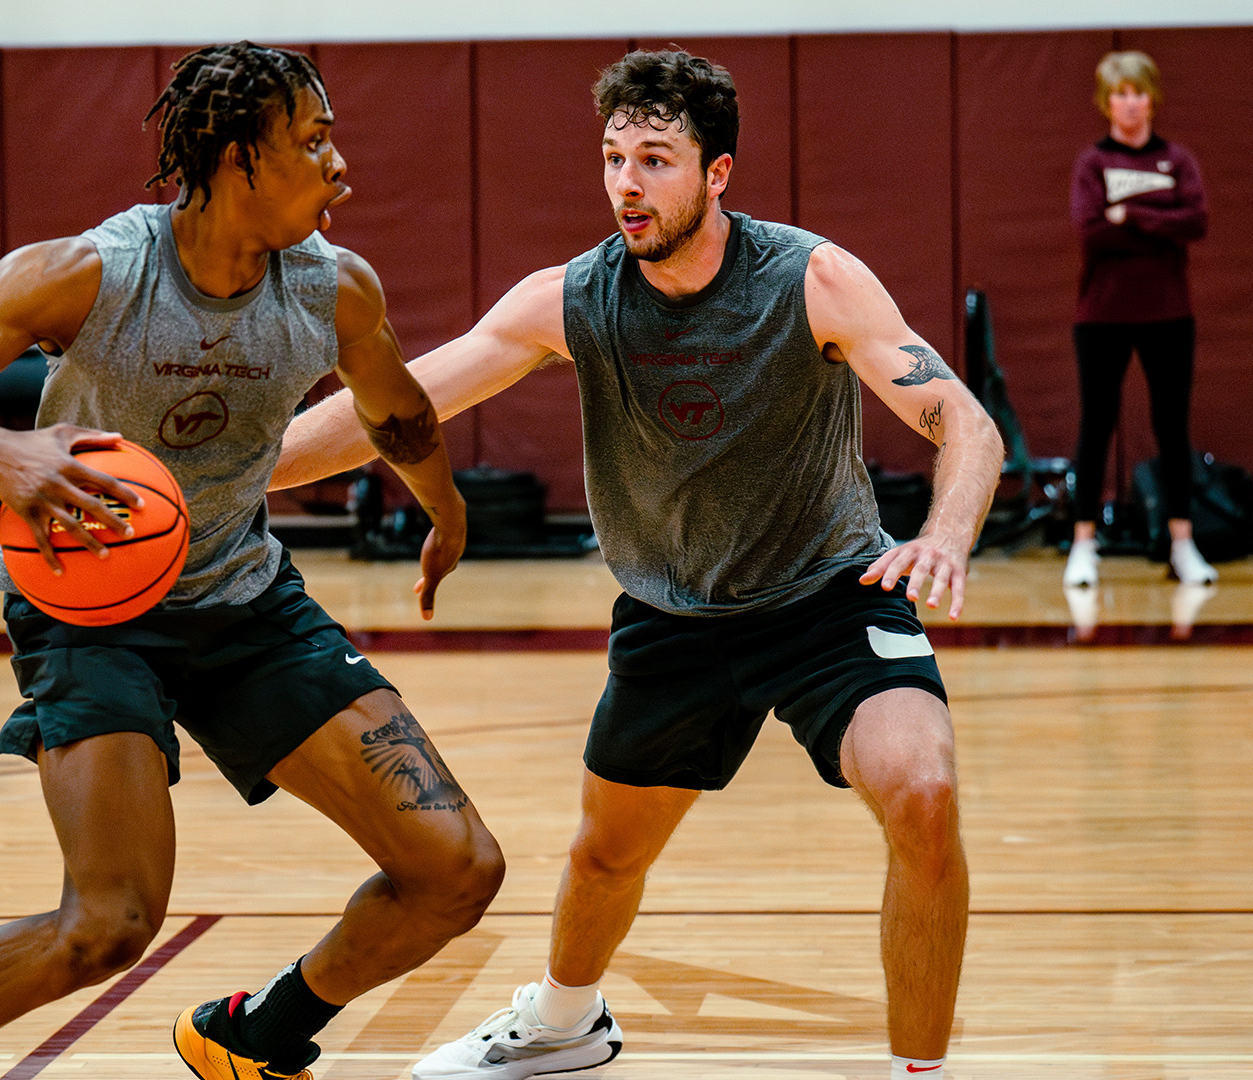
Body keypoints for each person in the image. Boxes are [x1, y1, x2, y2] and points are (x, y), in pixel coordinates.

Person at [273, 50, 1003, 1080]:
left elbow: (966, 424)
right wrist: (243, 469)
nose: (627, 182)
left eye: (656, 159)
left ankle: (919, 1074)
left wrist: (946, 535)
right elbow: (401, 404)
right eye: (615, 157)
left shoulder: (813, 281)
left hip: (829, 600)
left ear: (717, 173)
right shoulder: (572, 298)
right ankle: (564, 1022)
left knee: (923, 795)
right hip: (672, 615)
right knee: (606, 853)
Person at [0, 42, 503, 1080]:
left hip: (244, 599)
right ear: (239, 157)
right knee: (107, 926)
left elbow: (396, 409)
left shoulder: (333, 289)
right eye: (314, 141)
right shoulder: (92, 274)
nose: (339, 165)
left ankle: (251, 1036)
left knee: (457, 869)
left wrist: (445, 511)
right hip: (88, 611)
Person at [1063, 50, 1213, 588]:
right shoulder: (1093, 163)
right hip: (1102, 315)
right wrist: (1159, 223)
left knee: (1172, 427)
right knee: (1096, 424)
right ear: (1106, 102)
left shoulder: (1177, 159)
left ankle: (1182, 545)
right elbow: (1090, 230)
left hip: (1169, 313)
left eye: (1139, 92)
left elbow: (1196, 221)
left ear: (1153, 98)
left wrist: (1129, 214)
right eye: (1120, 93)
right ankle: (1083, 546)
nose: (1131, 103)